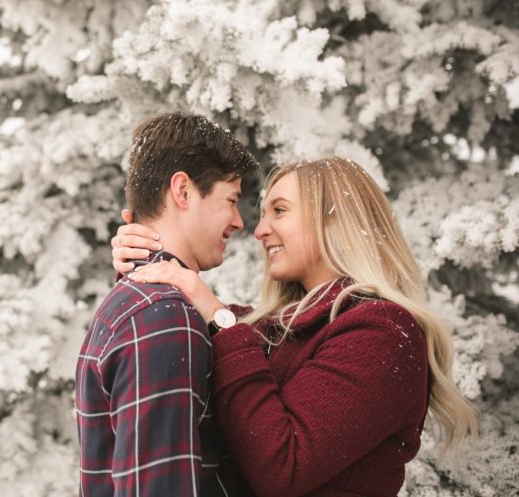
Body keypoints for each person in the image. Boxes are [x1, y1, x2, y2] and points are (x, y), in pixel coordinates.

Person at [112, 157, 478, 497]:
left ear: (334, 220)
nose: (259, 230)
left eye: (280, 211)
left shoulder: (384, 334)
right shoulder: (280, 329)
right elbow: (195, 330)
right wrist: (146, 263)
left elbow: (282, 468)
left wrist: (214, 313)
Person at [75, 112, 260, 496]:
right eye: (231, 200)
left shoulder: (134, 302)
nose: (239, 222)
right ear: (183, 191)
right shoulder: (163, 316)